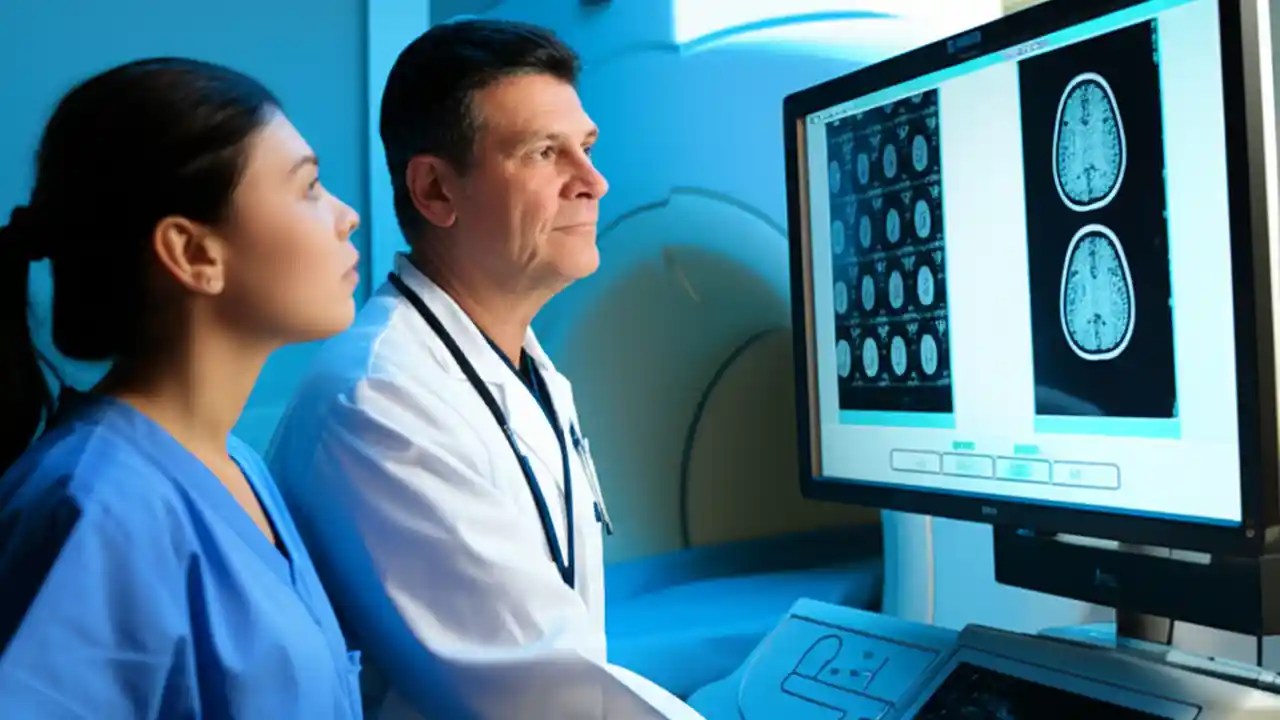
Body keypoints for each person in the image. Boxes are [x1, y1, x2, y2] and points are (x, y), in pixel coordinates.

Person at [266, 19, 705, 719]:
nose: (593, 181)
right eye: (544, 153)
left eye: (586, 148)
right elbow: (546, 697)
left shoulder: (522, 368)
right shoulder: (380, 403)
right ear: (436, 190)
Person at [0, 58, 364, 718]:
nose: (348, 216)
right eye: (309, 187)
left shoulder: (236, 467)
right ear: (194, 254)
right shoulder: (97, 506)